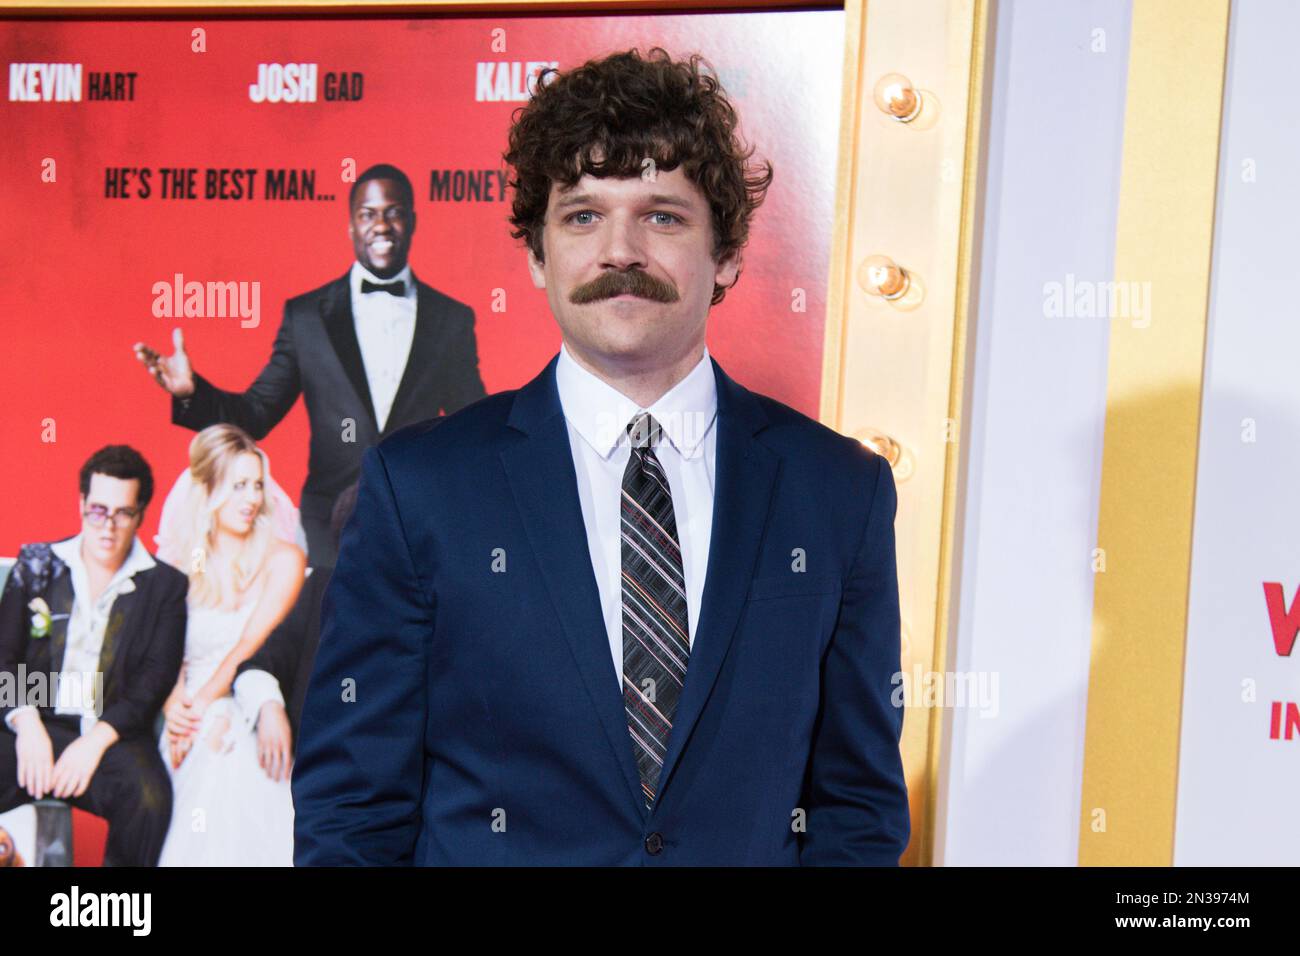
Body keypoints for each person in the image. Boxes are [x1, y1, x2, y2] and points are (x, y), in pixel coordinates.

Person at [292, 48, 910, 866]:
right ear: (538, 257)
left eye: (662, 216)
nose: (619, 251)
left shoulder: (839, 492)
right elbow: (350, 813)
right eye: (582, 216)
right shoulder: (420, 490)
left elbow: (855, 808)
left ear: (726, 256)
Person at [132, 163, 488, 569]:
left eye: (393, 212)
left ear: (412, 221)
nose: (382, 225)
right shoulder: (305, 317)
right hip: (326, 528)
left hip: (419, 522)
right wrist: (191, 393)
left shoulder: (451, 318)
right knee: (323, 632)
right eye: (368, 214)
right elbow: (257, 414)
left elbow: (471, 425)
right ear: (351, 226)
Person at [0, 445, 188, 866]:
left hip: (110, 727)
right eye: (98, 511)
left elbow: (153, 682)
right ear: (81, 503)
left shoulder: (166, 586)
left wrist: (95, 741)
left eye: (123, 513)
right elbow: (3, 654)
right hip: (31, 716)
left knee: (150, 800)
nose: (108, 527)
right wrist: (27, 723)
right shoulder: (37, 564)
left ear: (141, 514)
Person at [153, 424, 306, 866]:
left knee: (233, 761)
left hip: (252, 696)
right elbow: (162, 647)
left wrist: (199, 710)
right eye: (237, 485)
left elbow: (248, 646)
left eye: (256, 484)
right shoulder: (182, 562)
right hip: (186, 712)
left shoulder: (284, 559)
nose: (251, 498)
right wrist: (175, 706)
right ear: (208, 488)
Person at [231, 482, 357, 783]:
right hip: (310, 780)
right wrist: (268, 706)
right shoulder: (320, 590)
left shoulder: (433, 615)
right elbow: (258, 665)